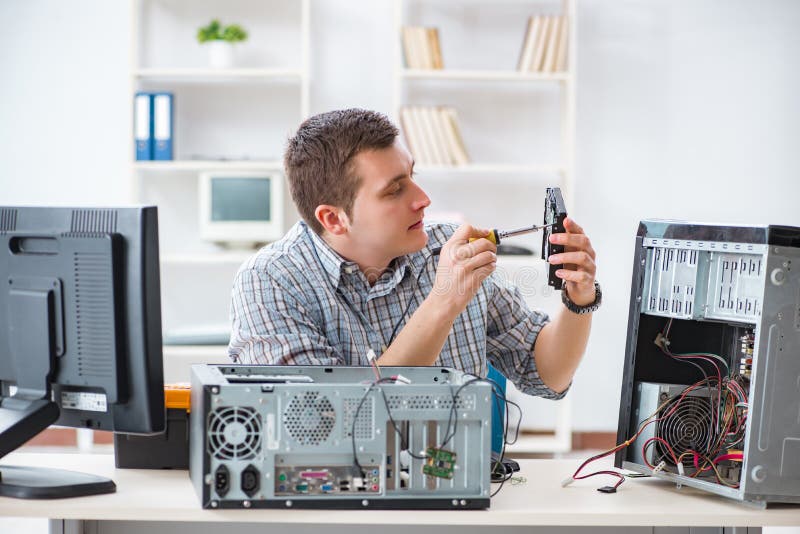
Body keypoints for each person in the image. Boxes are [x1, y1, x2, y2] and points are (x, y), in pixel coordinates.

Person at [228, 108, 600, 399]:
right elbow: (326, 421)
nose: (423, 199)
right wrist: (443, 302)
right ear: (334, 218)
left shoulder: (446, 248)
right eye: (394, 190)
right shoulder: (270, 281)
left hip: (460, 487)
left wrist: (578, 298)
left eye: (413, 175)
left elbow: (547, 374)